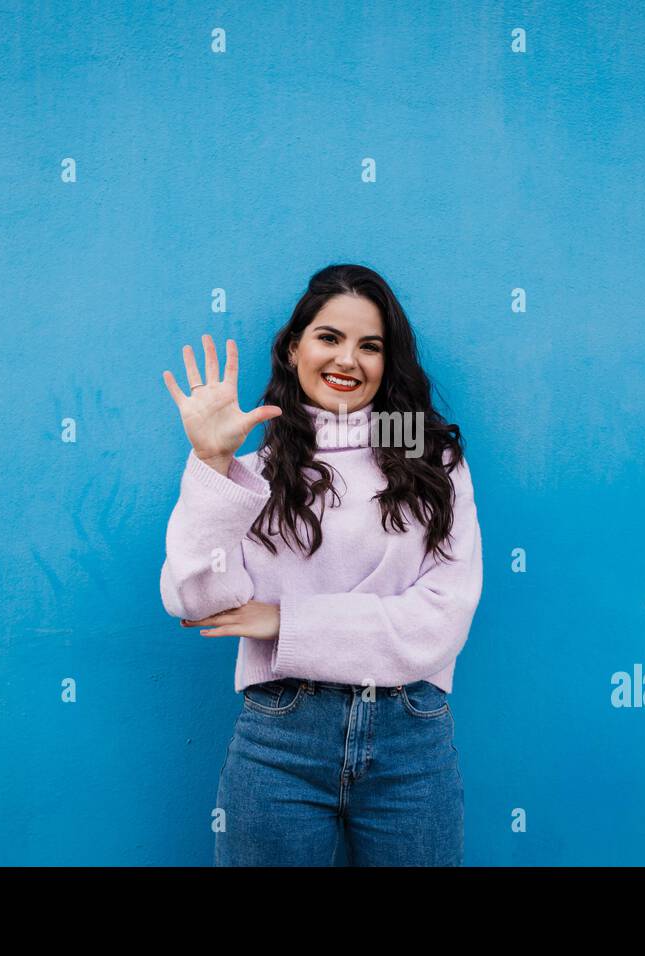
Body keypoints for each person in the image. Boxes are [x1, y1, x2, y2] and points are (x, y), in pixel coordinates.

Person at [159, 263, 483, 866]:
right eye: (329, 337)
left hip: (410, 735)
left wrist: (287, 620)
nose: (348, 361)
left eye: (371, 346)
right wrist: (210, 460)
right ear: (292, 348)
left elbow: (442, 619)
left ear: (389, 363)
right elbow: (194, 599)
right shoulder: (252, 470)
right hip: (281, 737)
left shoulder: (431, 460)